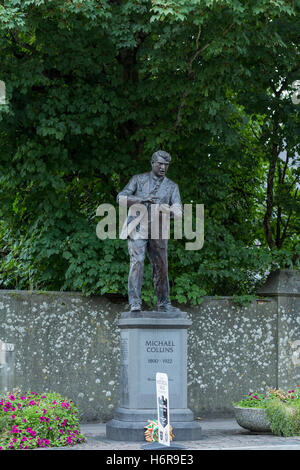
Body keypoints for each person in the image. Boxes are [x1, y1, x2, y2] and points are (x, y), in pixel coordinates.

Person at [117, 150, 182, 313]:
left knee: (161, 266)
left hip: (159, 230)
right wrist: (140, 199)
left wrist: (165, 210)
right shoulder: (138, 180)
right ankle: (135, 303)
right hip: (137, 228)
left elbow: (179, 210)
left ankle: (163, 303)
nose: (163, 167)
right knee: (137, 262)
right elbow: (121, 198)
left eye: (166, 165)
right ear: (152, 163)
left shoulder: (172, 186)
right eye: (160, 163)